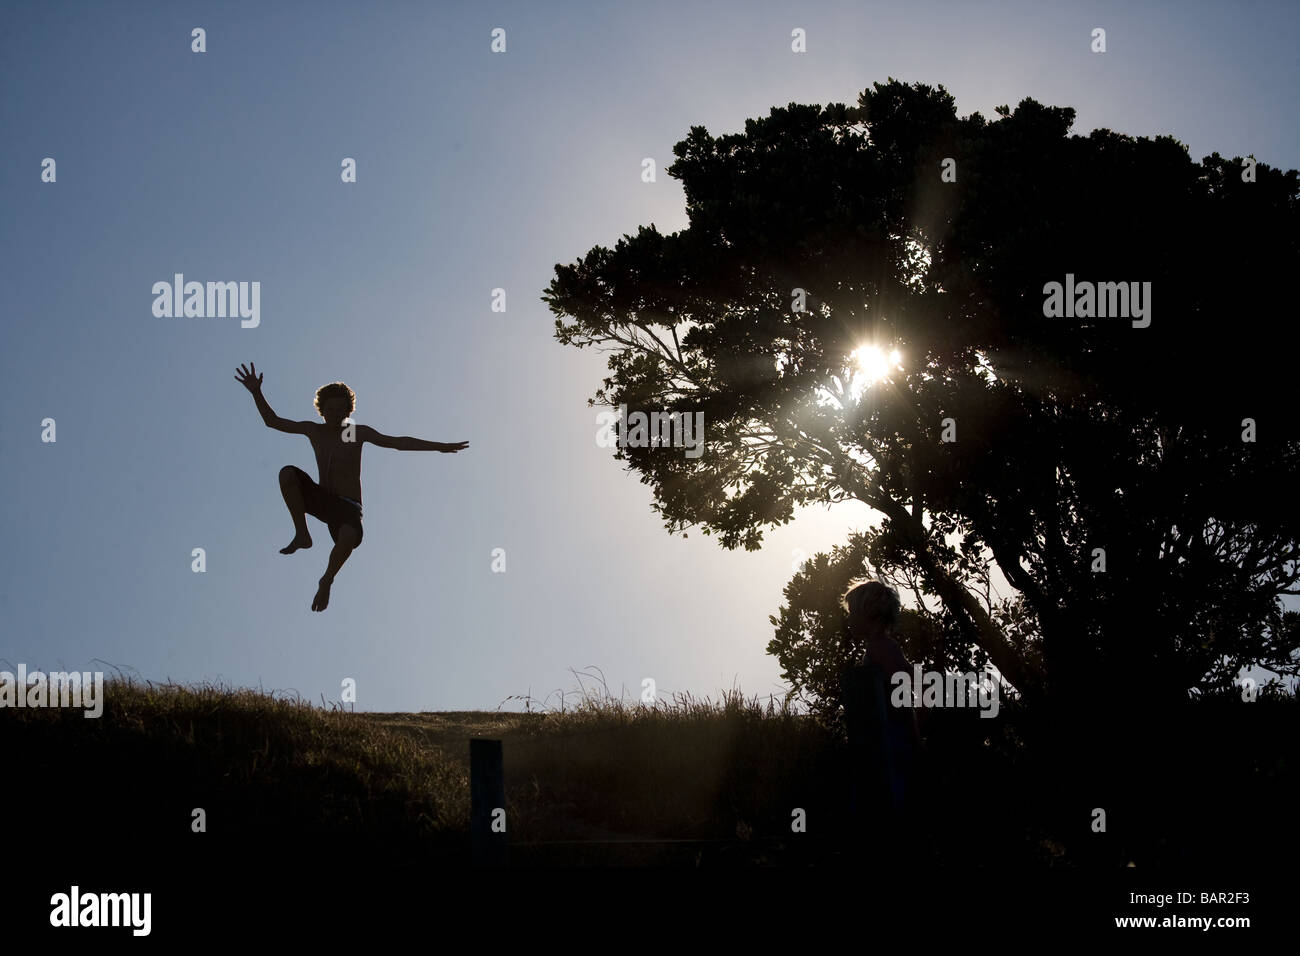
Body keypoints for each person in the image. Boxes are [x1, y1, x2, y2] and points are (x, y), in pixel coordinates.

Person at [234, 362, 468, 611]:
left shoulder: (356, 433)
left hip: (348, 507)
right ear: (321, 410)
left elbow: (397, 442)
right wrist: (256, 392)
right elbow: (273, 421)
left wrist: (438, 446)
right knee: (287, 474)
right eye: (330, 409)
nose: (335, 414)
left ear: (348, 411)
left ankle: (326, 580)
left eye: (340, 410)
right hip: (323, 499)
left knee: (347, 536)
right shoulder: (313, 430)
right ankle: (302, 534)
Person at [841, 579, 925, 826]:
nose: (849, 619)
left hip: (892, 742)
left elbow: (914, 687)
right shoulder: (883, 647)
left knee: (884, 809)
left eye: (853, 613)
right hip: (890, 740)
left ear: (873, 617)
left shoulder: (881, 649)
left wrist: (915, 736)